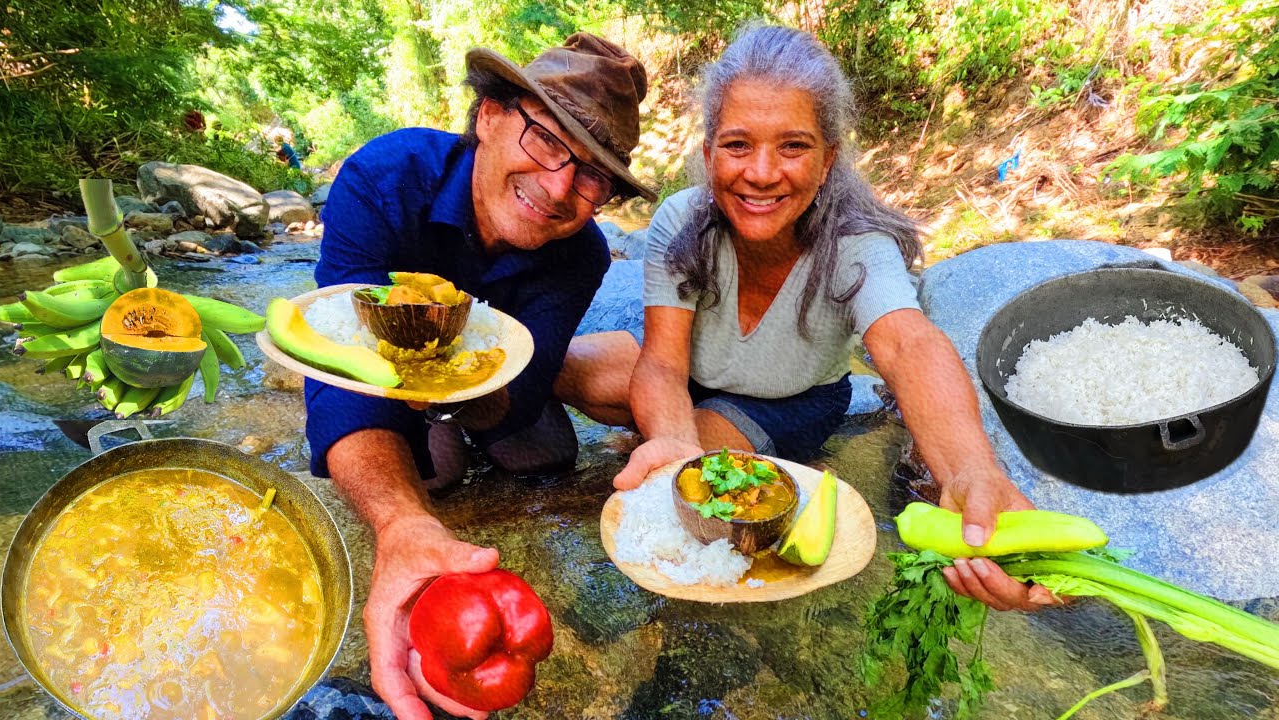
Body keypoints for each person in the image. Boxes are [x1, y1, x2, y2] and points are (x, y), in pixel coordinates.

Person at [556, 26, 1061, 613]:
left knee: (702, 481)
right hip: (692, 373)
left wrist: (971, 471)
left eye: (793, 146)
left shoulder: (857, 241)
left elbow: (906, 346)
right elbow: (663, 360)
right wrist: (671, 439)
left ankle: (704, 441)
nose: (762, 173)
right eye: (738, 145)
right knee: (570, 371)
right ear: (708, 153)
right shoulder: (682, 219)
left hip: (788, 401)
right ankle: (671, 435)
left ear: (828, 161)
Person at [305, 34, 655, 720]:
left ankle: (467, 427)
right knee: (425, 481)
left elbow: (520, 397)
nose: (560, 188)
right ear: (489, 116)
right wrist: (402, 524)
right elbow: (339, 373)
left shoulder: (581, 253)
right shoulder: (384, 181)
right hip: (379, 379)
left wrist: (468, 387)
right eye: (548, 141)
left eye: (593, 176)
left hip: (491, 394)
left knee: (547, 456)